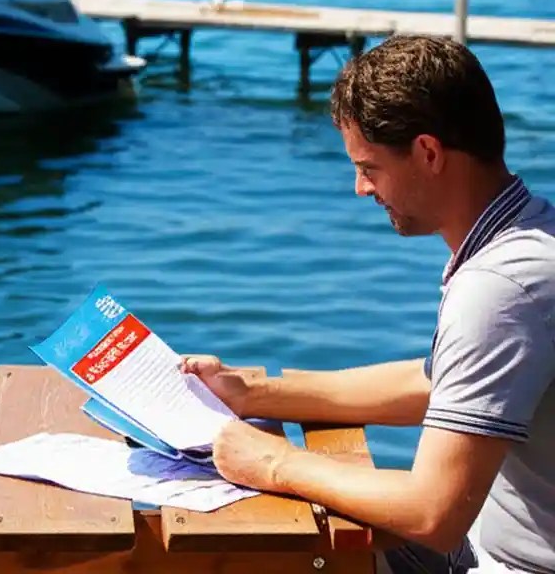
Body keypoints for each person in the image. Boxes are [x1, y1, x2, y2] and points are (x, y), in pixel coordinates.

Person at [183, 35, 554, 573]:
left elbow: (433, 513)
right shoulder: (530, 233)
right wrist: (255, 393)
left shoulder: (500, 289)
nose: (360, 188)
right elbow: (436, 384)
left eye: (370, 167)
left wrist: (273, 462)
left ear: (428, 153)